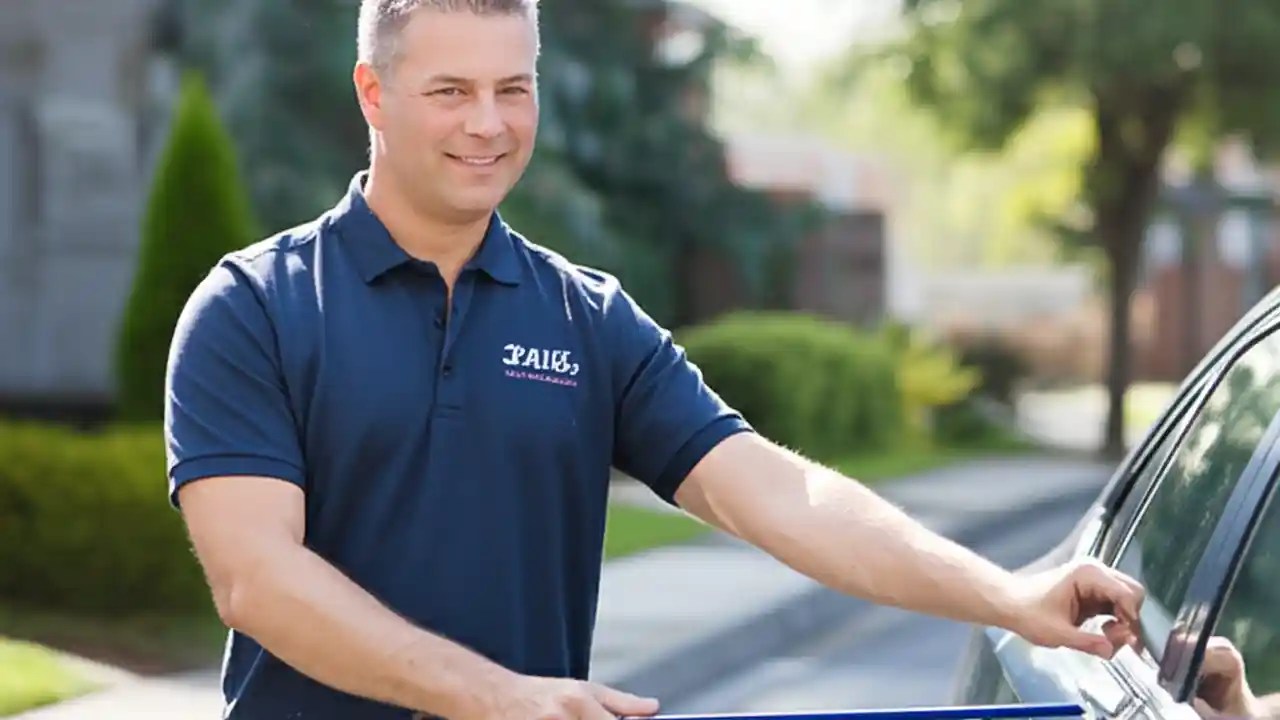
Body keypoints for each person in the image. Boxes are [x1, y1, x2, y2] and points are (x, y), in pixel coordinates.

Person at [165, 1, 1145, 718]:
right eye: (450, 92)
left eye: (514, 88)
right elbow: (257, 578)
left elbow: (777, 495)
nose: (490, 124)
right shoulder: (256, 308)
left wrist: (1008, 595)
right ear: (373, 93)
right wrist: (494, 697)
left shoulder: (585, 318)